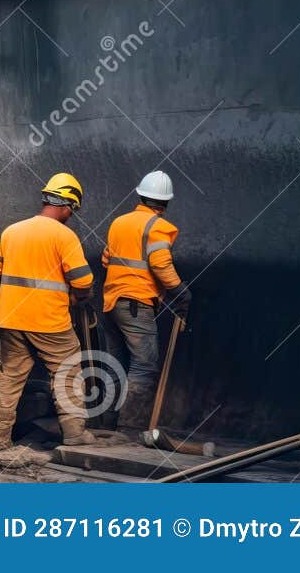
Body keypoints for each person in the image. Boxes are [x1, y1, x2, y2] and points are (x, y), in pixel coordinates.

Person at [0, 172, 99, 453]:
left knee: (10, 377)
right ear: (66, 205)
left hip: (11, 318)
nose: (72, 214)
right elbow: (83, 281)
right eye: (73, 208)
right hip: (49, 321)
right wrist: (79, 298)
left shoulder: (12, 231)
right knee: (67, 372)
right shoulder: (64, 236)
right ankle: (73, 433)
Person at [101, 171, 191, 431]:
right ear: (165, 203)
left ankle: (107, 424)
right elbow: (160, 263)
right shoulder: (158, 227)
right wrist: (181, 292)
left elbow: (107, 259)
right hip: (135, 302)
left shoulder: (119, 222)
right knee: (144, 366)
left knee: (116, 365)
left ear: (140, 195)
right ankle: (128, 429)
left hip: (111, 302)